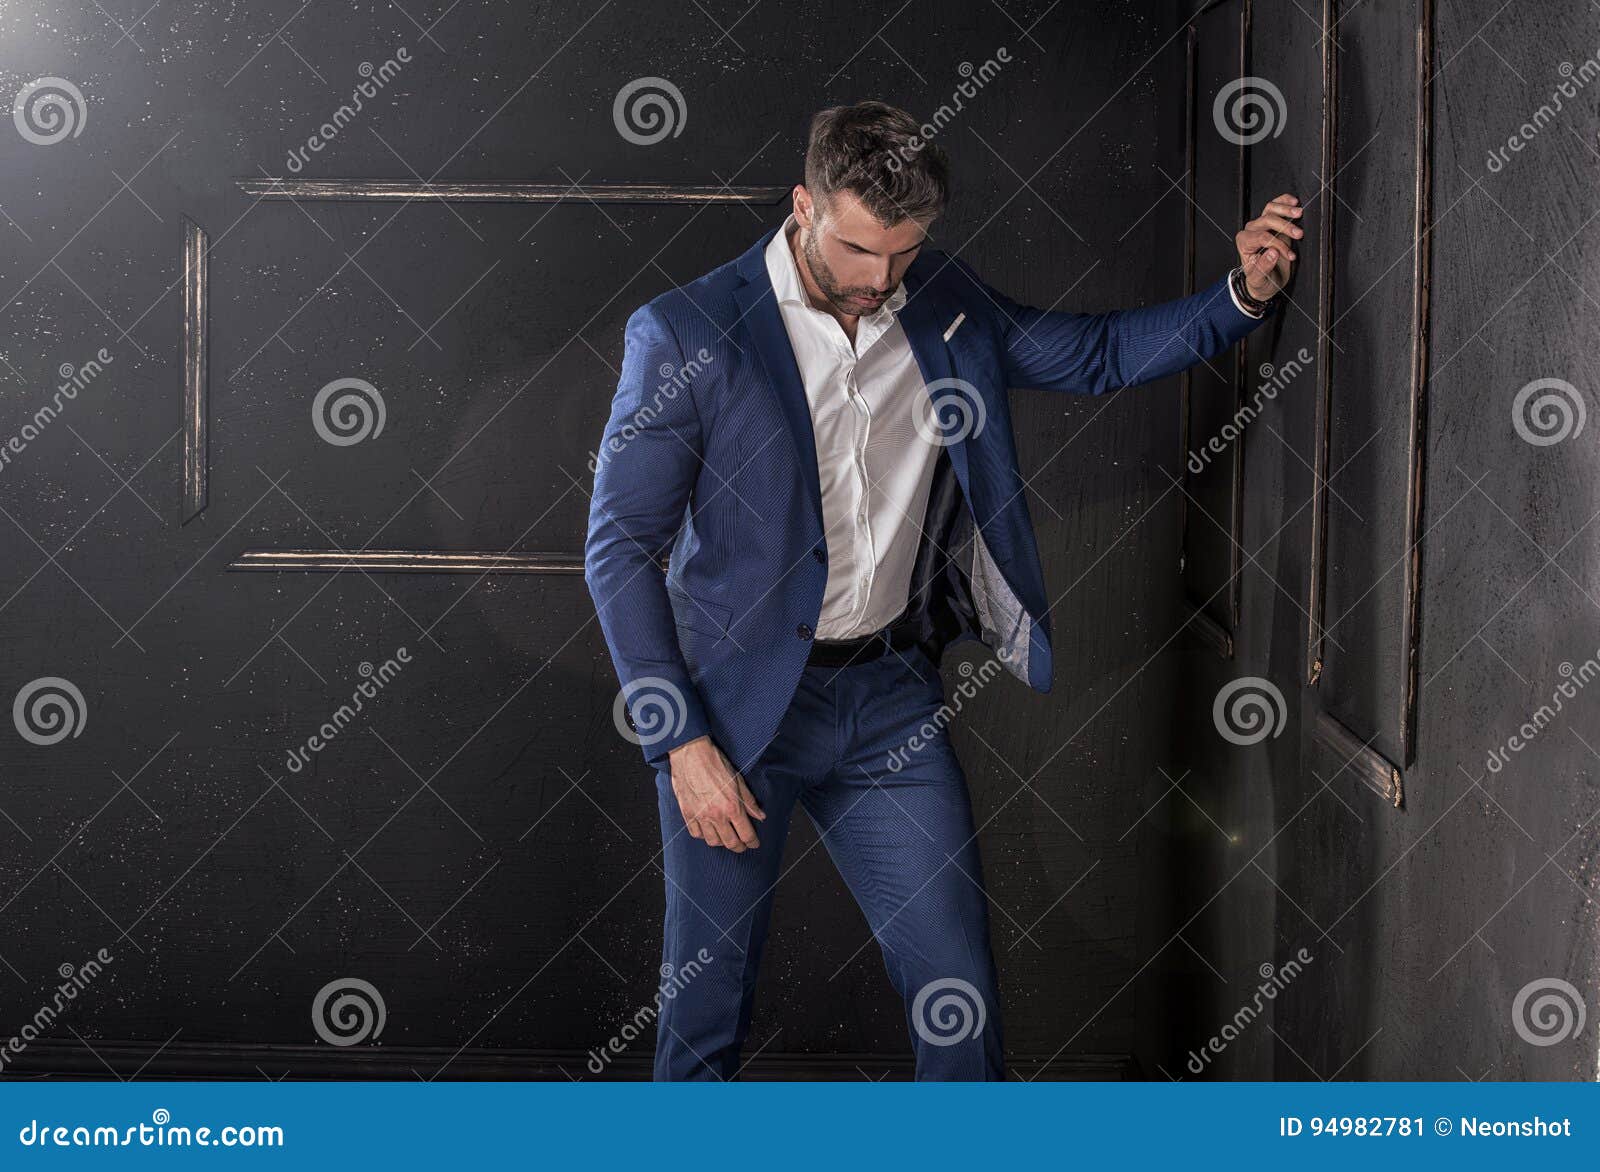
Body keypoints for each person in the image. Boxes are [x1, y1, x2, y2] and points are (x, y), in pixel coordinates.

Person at [584, 99, 1295, 1080]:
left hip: (888, 704)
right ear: (803, 205)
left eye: (903, 252)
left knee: (959, 997)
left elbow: (1093, 355)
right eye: (857, 250)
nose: (880, 281)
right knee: (705, 1012)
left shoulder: (941, 300)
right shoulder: (688, 331)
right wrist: (679, 740)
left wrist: (1242, 296)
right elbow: (619, 547)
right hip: (733, 714)